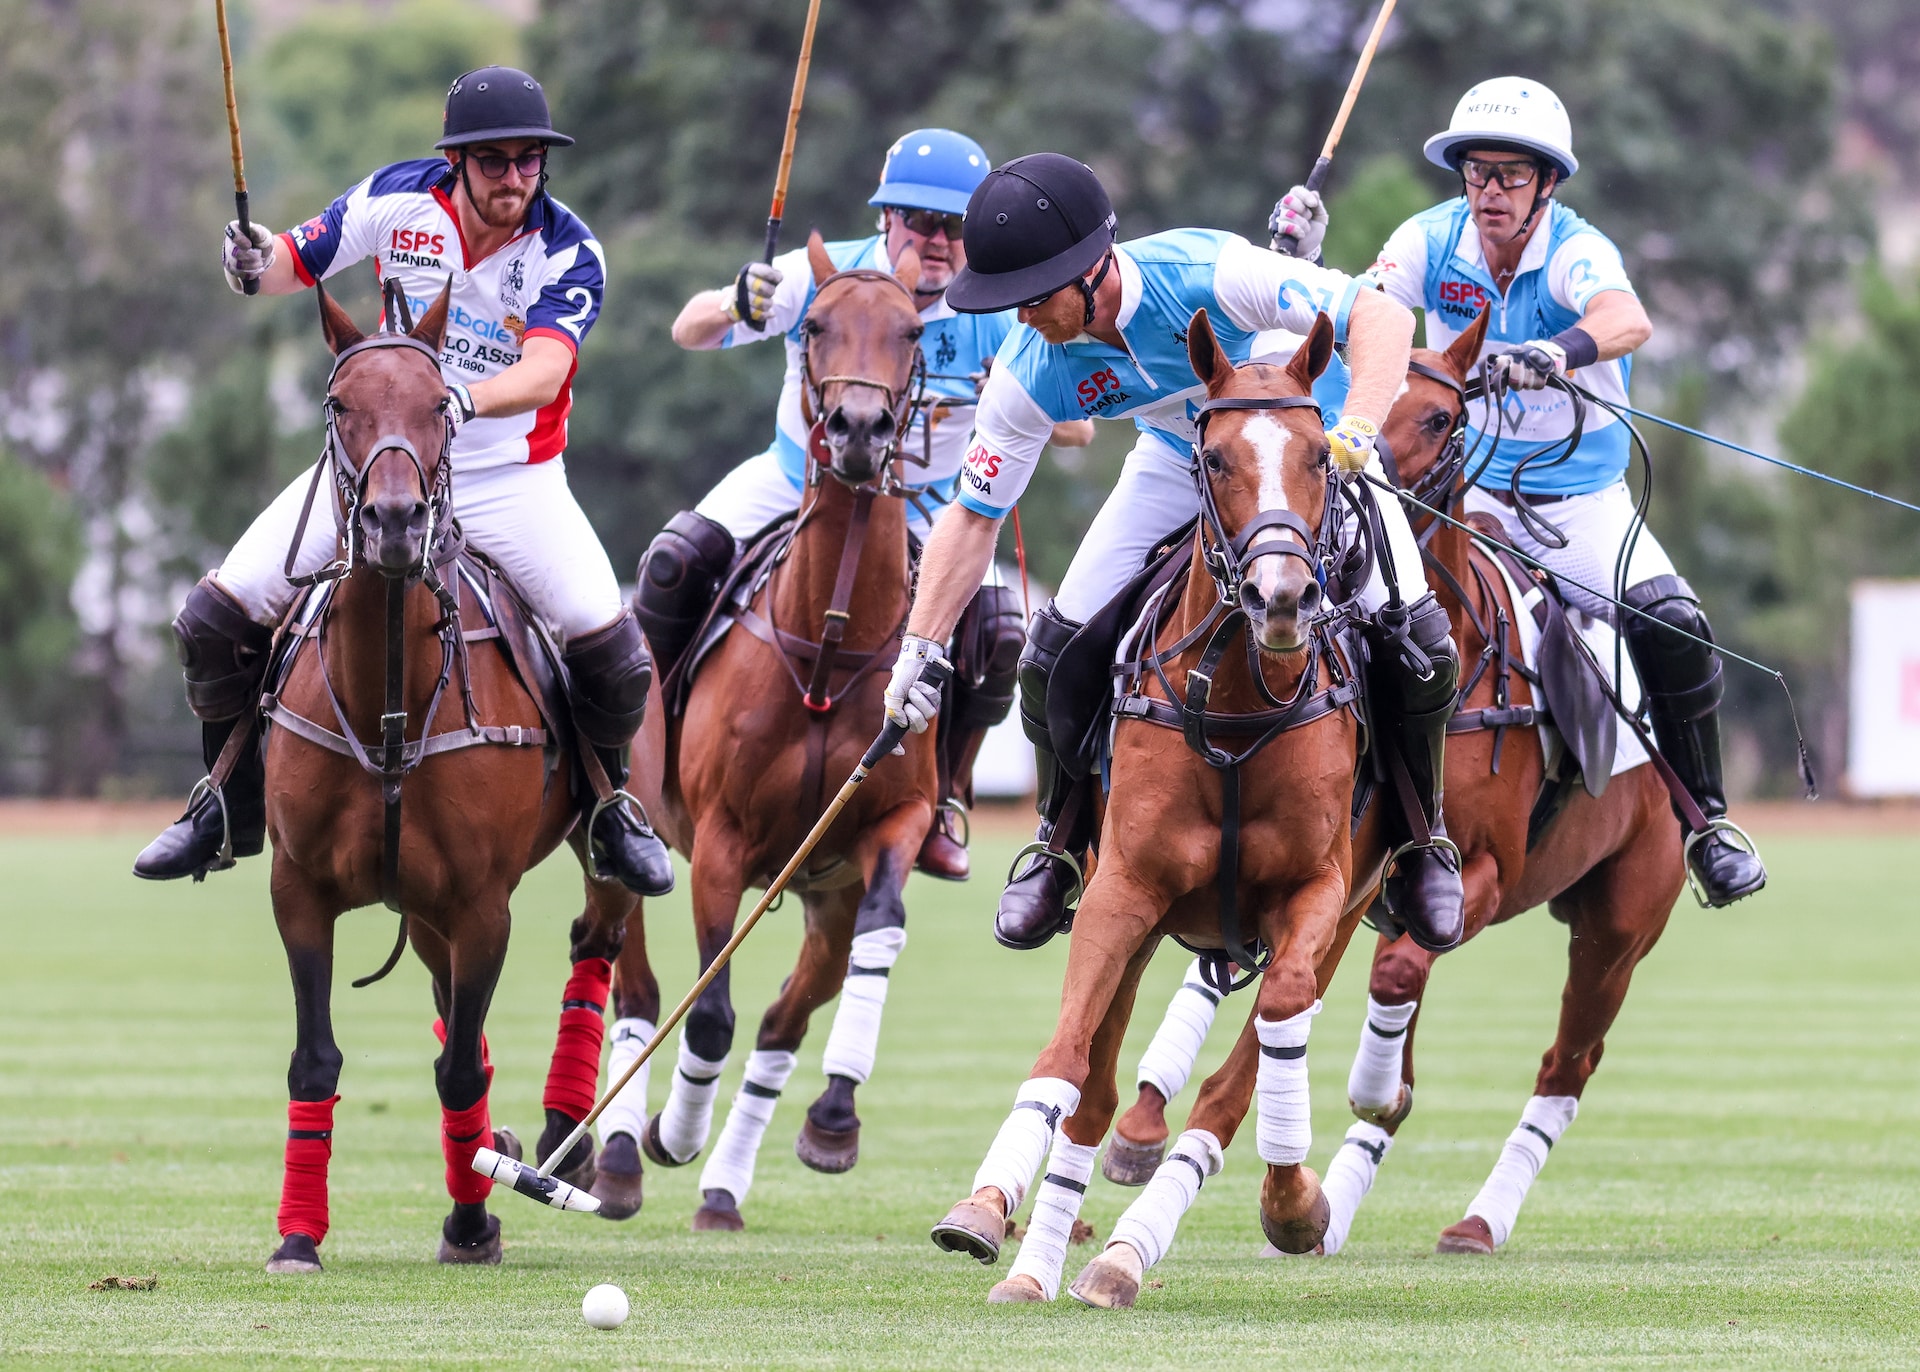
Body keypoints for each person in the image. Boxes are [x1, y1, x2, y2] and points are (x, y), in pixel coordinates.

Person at [880, 153, 1470, 955]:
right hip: (1176, 457)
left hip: (1308, 450)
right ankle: (1058, 845)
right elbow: (973, 517)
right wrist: (920, 649)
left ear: (1090, 270)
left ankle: (1422, 842)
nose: (1021, 317)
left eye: (1033, 297)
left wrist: (1358, 426)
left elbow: (1384, 317)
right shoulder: (1030, 369)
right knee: (1052, 651)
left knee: (1422, 642)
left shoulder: (1209, 272)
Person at [133, 66, 674, 897]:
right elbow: (292, 262)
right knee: (212, 622)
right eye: (494, 161)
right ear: (456, 161)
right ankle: (228, 807)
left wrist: (461, 401)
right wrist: (251, 258)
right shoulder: (397, 200)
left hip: (508, 477)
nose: (515, 179)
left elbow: (545, 370)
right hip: (377, 474)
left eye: (530, 160)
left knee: (613, 651)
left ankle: (610, 810)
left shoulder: (568, 249)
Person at [1272, 76, 1766, 906]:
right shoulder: (1429, 239)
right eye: (1477, 172)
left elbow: (1628, 317)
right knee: (1328, 591)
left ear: (1547, 185)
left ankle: (1706, 824)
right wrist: (1300, 265)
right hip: (1464, 498)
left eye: (1510, 175)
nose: (1490, 191)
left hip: (1580, 505)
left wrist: (1560, 349)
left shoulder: (1574, 248)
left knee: (1674, 621)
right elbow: (1364, 312)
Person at [643, 129, 1091, 880]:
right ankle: (640, 765)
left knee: (1000, 633)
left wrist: (1017, 401)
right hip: (796, 481)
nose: (939, 241)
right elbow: (687, 330)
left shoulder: (1000, 309)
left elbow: (1079, 428)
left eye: (956, 225)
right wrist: (732, 301)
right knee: (672, 564)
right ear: (887, 219)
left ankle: (944, 796)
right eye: (921, 220)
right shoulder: (822, 275)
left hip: (932, 508)